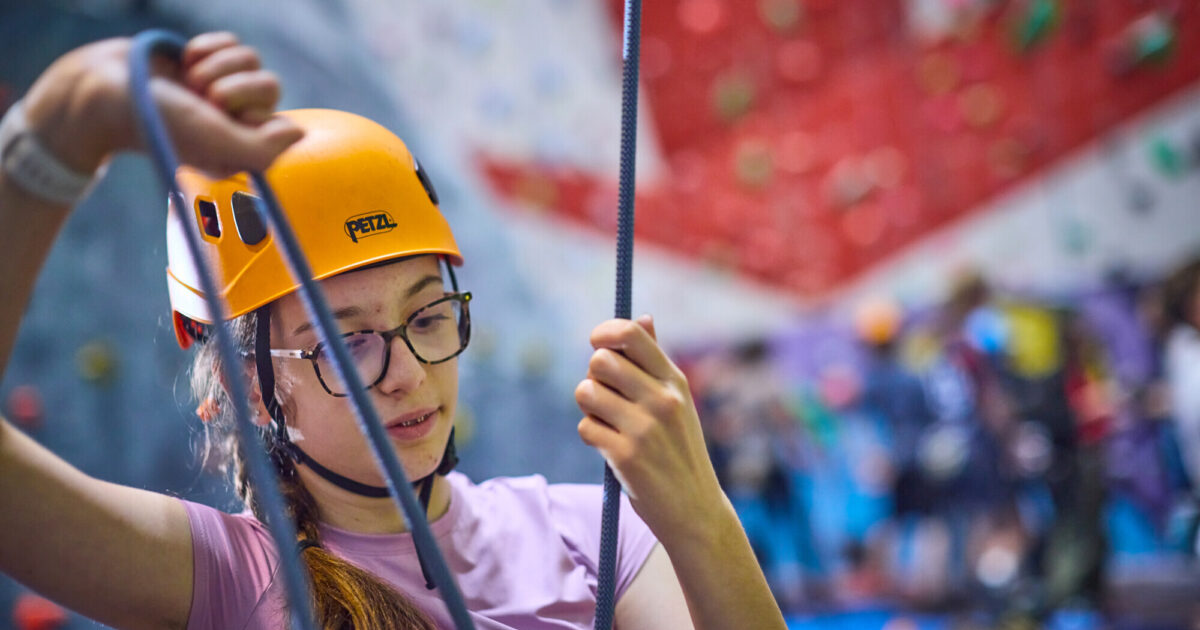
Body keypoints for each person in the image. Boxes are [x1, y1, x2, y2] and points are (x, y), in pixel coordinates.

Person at [0, 32, 787, 630]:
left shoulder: (588, 531)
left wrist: (697, 512)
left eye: (427, 317)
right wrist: (56, 137)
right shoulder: (232, 577)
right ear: (250, 390)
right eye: (348, 343)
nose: (407, 372)